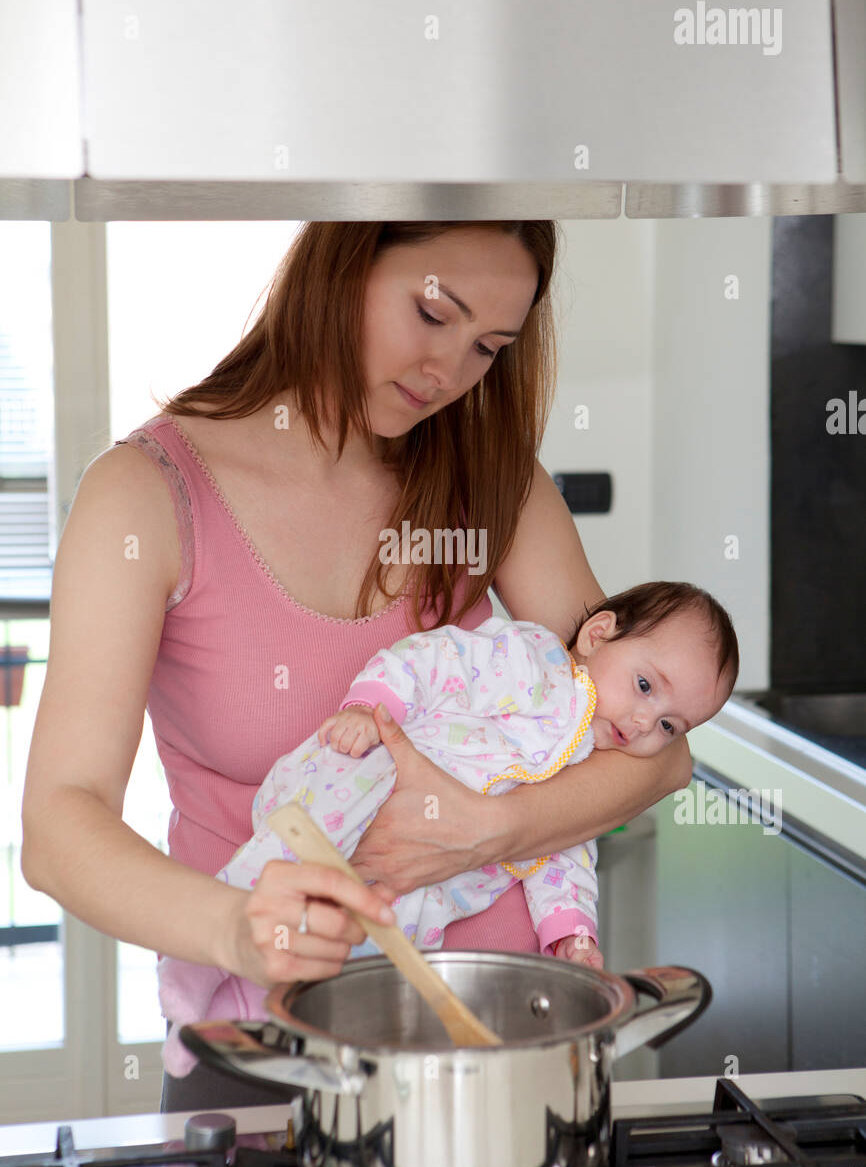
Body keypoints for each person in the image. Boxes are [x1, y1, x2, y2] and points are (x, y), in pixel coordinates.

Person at [21, 221, 693, 1112]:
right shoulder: (144, 496)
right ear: (344, 256)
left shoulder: (492, 481)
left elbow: (661, 749)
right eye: (432, 313)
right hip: (277, 1040)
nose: (448, 373)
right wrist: (234, 926)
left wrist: (494, 827)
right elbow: (58, 828)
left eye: (488, 348)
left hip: (503, 1039)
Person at [159, 579, 735, 1077]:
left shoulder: (588, 770)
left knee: (348, 948)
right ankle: (193, 964)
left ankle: (233, 1013)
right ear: (598, 633)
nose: (641, 724)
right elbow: (433, 661)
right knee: (288, 867)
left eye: (668, 723)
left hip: (427, 886)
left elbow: (561, 853)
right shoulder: (532, 662)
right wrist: (370, 706)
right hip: (372, 776)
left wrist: (572, 933)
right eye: (643, 686)